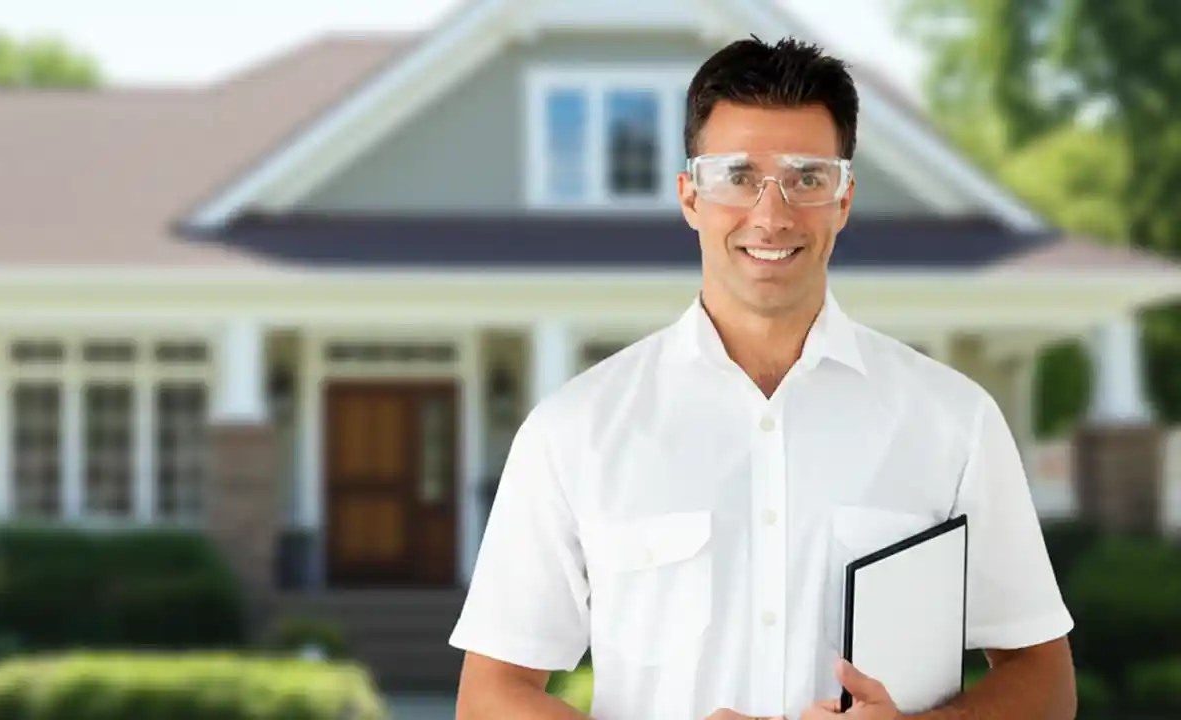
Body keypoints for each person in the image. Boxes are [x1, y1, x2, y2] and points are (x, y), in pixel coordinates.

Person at [449, 35, 1076, 720]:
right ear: (690, 195)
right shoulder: (573, 430)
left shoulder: (955, 421)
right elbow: (491, 696)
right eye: (738, 176)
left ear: (843, 199)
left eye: (807, 177)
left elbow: (1043, 679)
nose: (772, 215)